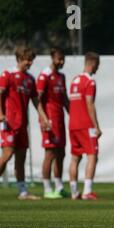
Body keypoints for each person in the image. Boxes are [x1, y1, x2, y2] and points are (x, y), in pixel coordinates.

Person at [0, 47, 45, 200]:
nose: (30, 63)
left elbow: (35, 100)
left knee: (21, 157)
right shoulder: (8, 75)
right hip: (9, 123)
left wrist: (44, 118)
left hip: (22, 124)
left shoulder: (30, 79)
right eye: (28, 60)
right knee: (7, 155)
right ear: (19, 59)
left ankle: (22, 191)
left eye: (32, 60)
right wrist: (0, 114)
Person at [36, 47, 70, 199]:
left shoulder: (61, 76)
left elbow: (65, 99)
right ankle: (46, 188)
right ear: (52, 58)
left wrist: (73, 115)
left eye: (63, 59)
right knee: (50, 153)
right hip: (49, 119)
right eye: (59, 59)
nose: (61, 62)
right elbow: (38, 99)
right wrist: (43, 119)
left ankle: (59, 186)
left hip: (60, 118)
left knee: (61, 153)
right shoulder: (44, 75)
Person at [68, 52, 102, 200]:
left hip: (72, 124)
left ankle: (74, 192)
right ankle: (87, 191)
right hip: (85, 125)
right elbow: (89, 103)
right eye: (97, 65)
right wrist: (96, 126)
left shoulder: (75, 80)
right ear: (93, 63)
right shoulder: (90, 82)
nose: (97, 69)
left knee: (75, 158)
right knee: (92, 156)